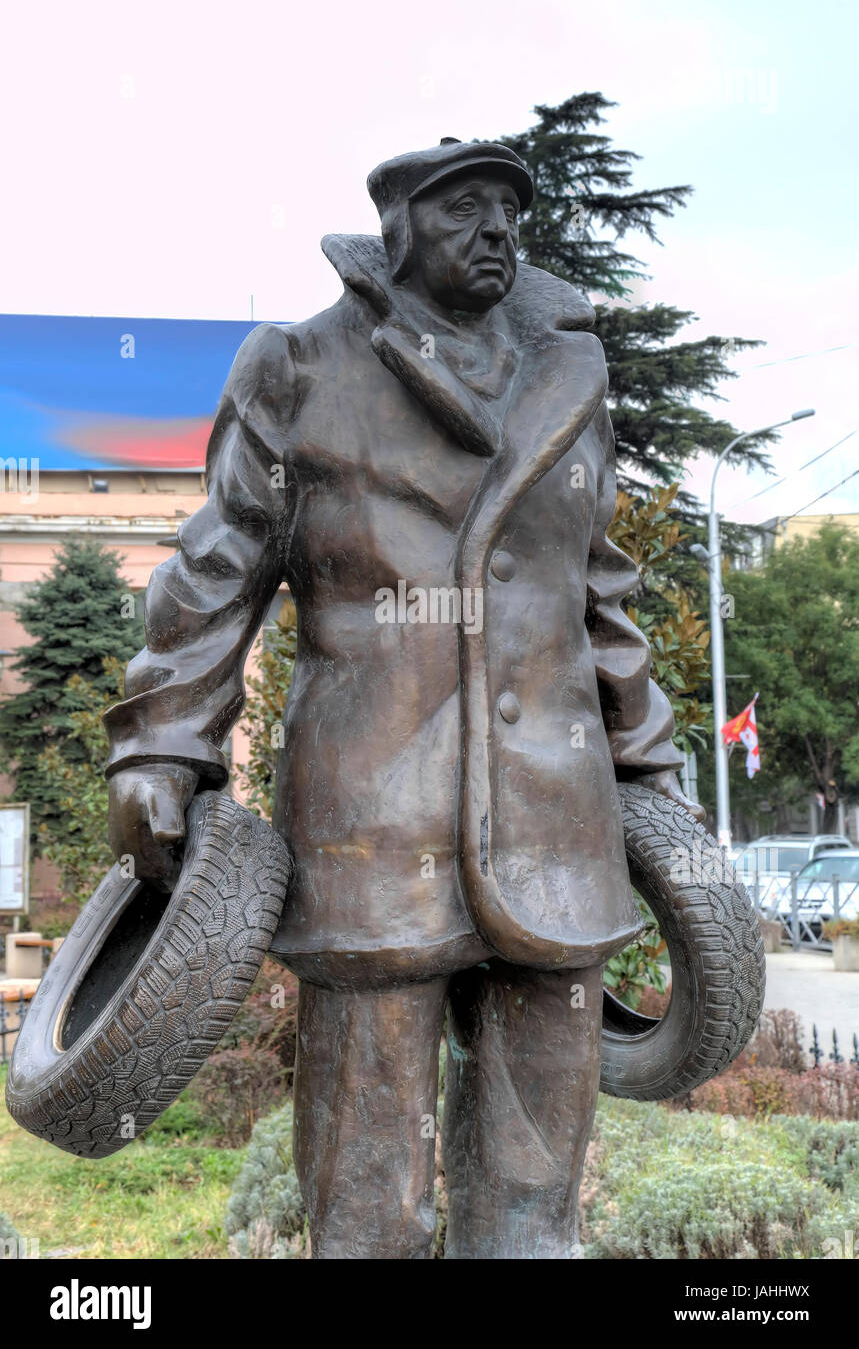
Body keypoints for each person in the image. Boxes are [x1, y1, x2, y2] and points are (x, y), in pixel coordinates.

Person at [105, 138, 703, 1258]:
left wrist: (651, 776)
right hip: (375, 827)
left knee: (536, 1209)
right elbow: (217, 565)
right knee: (370, 1205)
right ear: (396, 228)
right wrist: (163, 743)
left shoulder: (567, 375)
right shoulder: (299, 366)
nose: (495, 231)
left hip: (556, 830)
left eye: (509, 212)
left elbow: (602, 587)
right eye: (464, 208)